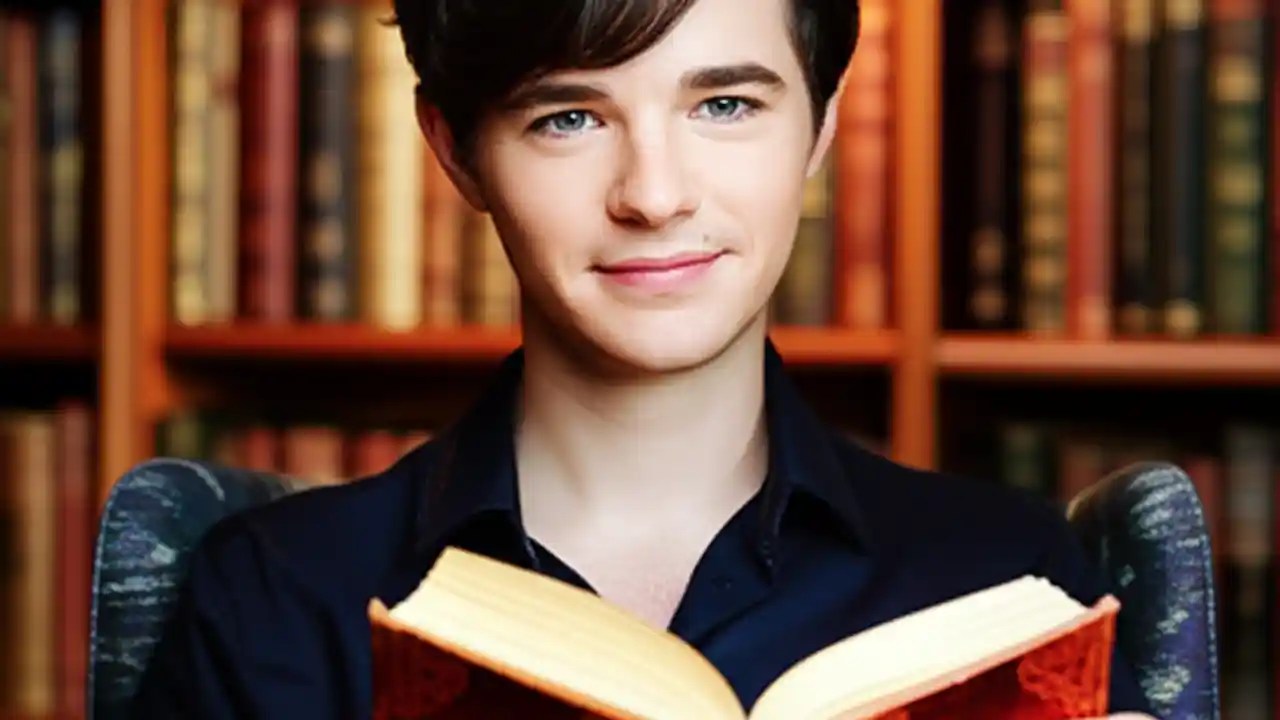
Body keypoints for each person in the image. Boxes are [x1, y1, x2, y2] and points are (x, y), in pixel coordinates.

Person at [133, 0, 1156, 717]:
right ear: (455, 151)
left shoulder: (1002, 589)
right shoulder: (278, 598)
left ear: (818, 128)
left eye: (725, 106)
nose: (653, 194)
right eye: (567, 118)